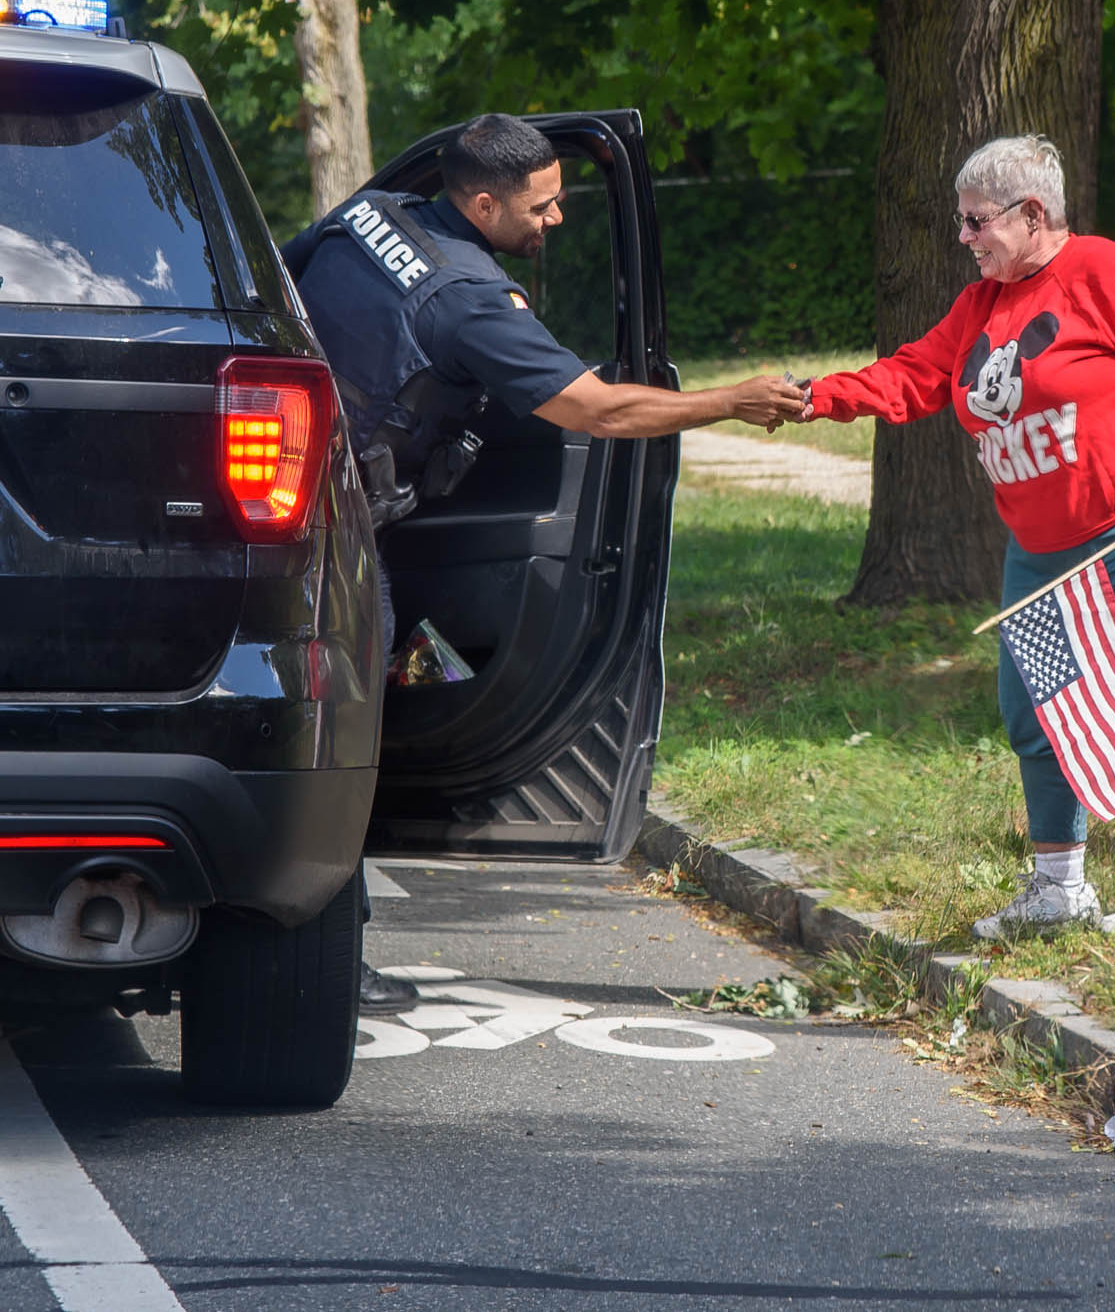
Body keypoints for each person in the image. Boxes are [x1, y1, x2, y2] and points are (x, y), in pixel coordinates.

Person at [286, 112, 805, 1010]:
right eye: (543, 205)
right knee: (344, 745)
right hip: (336, 533)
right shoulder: (466, 301)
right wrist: (734, 398)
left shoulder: (367, 215)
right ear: (482, 201)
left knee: (314, 726)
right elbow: (597, 412)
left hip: (282, 500)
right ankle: (320, 952)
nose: (556, 218)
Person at [799, 134, 1115, 939]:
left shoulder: (1114, 273)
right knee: (1035, 703)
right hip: (1044, 540)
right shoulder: (982, 307)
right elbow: (914, 375)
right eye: (961, 222)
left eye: (976, 222)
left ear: (1033, 214)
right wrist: (815, 397)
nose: (963, 239)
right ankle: (1059, 886)